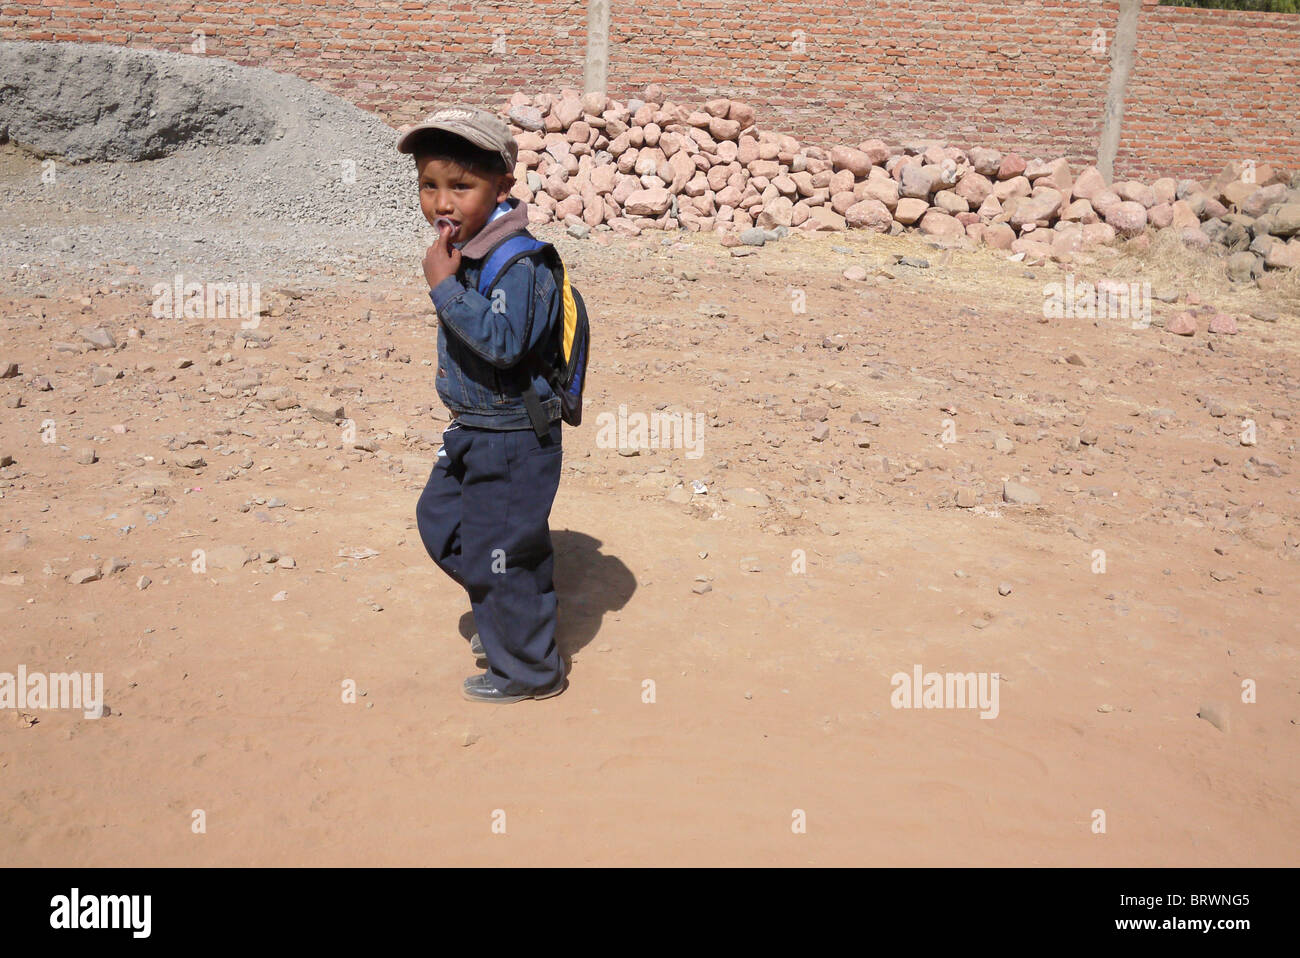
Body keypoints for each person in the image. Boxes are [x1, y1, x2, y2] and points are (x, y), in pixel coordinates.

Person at [400, 106, 567, 703]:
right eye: (430, 185)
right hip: (474, 426)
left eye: (461, 187)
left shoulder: (519, 262)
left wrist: (443, 287)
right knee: (442, 522)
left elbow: (503, 345)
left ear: (502, 187)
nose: (442, 203)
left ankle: (528, 669)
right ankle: (507, 610)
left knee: (503, 552)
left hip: (514, 435)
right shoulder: (468, 249)